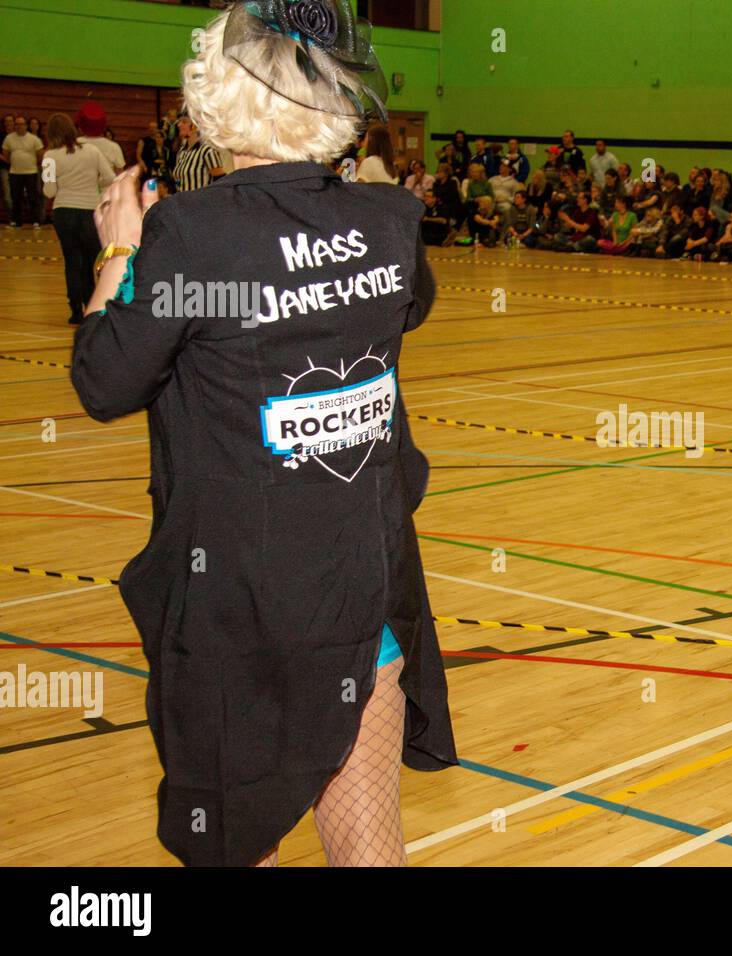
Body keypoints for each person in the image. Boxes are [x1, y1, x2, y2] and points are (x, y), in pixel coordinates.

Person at [69, 0, 456, 868]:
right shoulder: (389, 218)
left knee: (231, 845)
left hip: (237, 604)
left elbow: (103, 379)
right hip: (361, 584)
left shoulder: (191, 236)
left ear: (215, 102)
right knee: (367, 844)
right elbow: (410, 304)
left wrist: (118, 255)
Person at [41, 113, 114, 324]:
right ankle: (95, 305)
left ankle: (75, 310)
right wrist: (94, 185)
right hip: (90, 210)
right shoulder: (92, 151)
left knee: (72, 262)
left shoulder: (50, 157)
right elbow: (109, 176)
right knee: (93, 261)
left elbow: (49, 191)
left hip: (64, 211)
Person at [3, 116, 44, 228]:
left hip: (31, 172)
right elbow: (6, 155)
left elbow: (40, 156)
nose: (19, 126)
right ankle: (16, 221)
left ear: (26, 126)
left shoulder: (34, 139)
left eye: (21, 124)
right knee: (15, 197)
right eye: (17, 124)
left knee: (33, 197)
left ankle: (36, 221)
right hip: (15, 173)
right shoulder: (9, 138)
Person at [171, 112, 225, 190]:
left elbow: (221, 180)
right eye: (179, 121)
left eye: (184, 122)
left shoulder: (207, 150)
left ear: (195, 126)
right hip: (183, 200)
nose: (179, 125)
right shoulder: (182, 151)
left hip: (201, 200)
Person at [75, 103, 125, 174]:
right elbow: (119, 174)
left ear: (80, 126)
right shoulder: (113, 146)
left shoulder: (71, 145)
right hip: (107, 184)